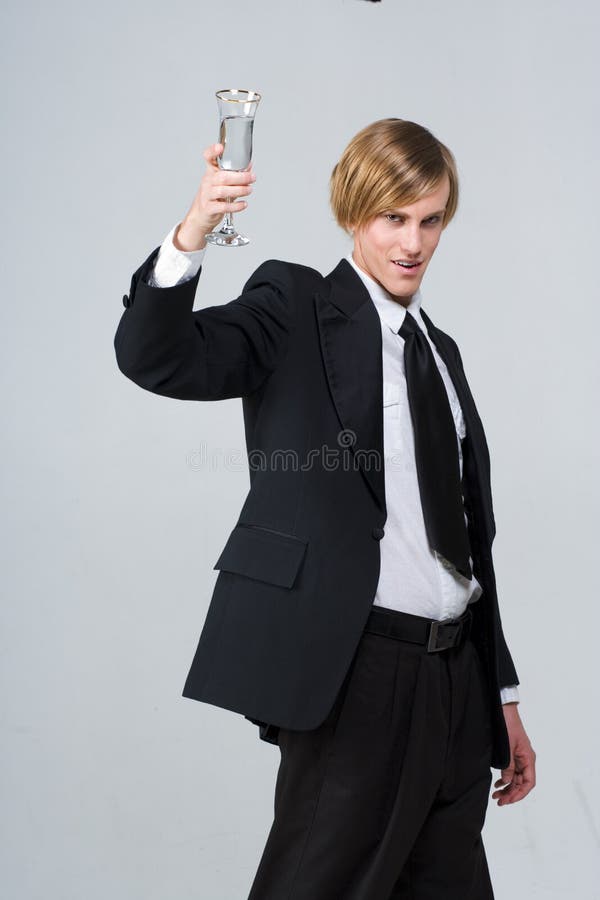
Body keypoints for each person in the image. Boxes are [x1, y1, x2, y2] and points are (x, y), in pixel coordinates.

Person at [114, 118, 536, 899]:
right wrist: (195, 229)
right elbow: (157, 357)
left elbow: (469, 537)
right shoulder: (296, 306)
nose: (413, 242)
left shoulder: (440, 353)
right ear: (353, 211)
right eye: (393, 217)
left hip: (456, 681)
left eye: (430, 220)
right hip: (359, 674)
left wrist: (499, 697)